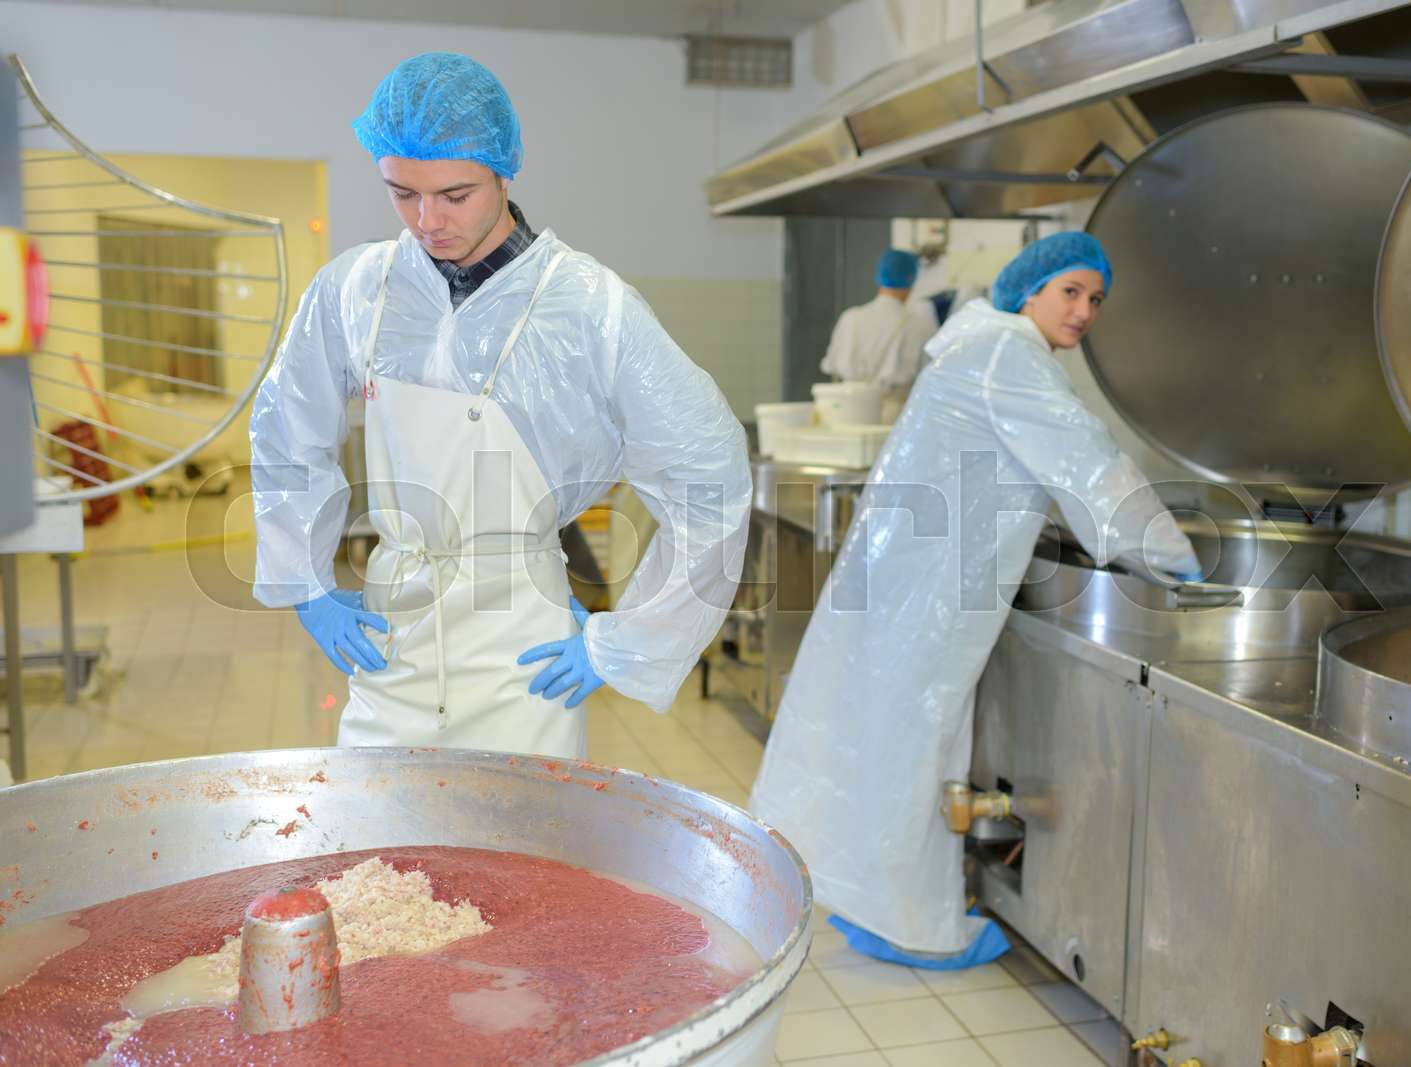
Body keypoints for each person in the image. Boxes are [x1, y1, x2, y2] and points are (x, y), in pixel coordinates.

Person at [250, 53, 750, 759]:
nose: (429, 221)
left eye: (455, 194)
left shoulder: (587, 306)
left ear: (503, 169)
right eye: (403, 194)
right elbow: (285, 427)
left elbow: (710, 470)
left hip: (524, 647)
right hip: (395, 634)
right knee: (378, 849)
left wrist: (628, 640)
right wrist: (305, 583)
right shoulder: (358, 290)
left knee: (521, 851)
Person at [749, 232, 1201, 968]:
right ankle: (915, 924)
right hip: (928, 587)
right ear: (1030, 290)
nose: (1084, 310)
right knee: (913, 740)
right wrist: (1177, 559)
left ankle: (864, 894)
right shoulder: (1010, 353)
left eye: (1096, 299)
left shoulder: (985, 346)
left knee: (872, 732)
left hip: (902, 576)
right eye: (1071, 292)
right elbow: (1088, 460)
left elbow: (1024, 463)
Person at [819, 249, 940, 405]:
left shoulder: (850, 318)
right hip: (893, 413)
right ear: (912, 280)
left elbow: (830, 364)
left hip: (848, 408)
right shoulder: (919, 325)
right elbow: (930, 375)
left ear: (879, 277)